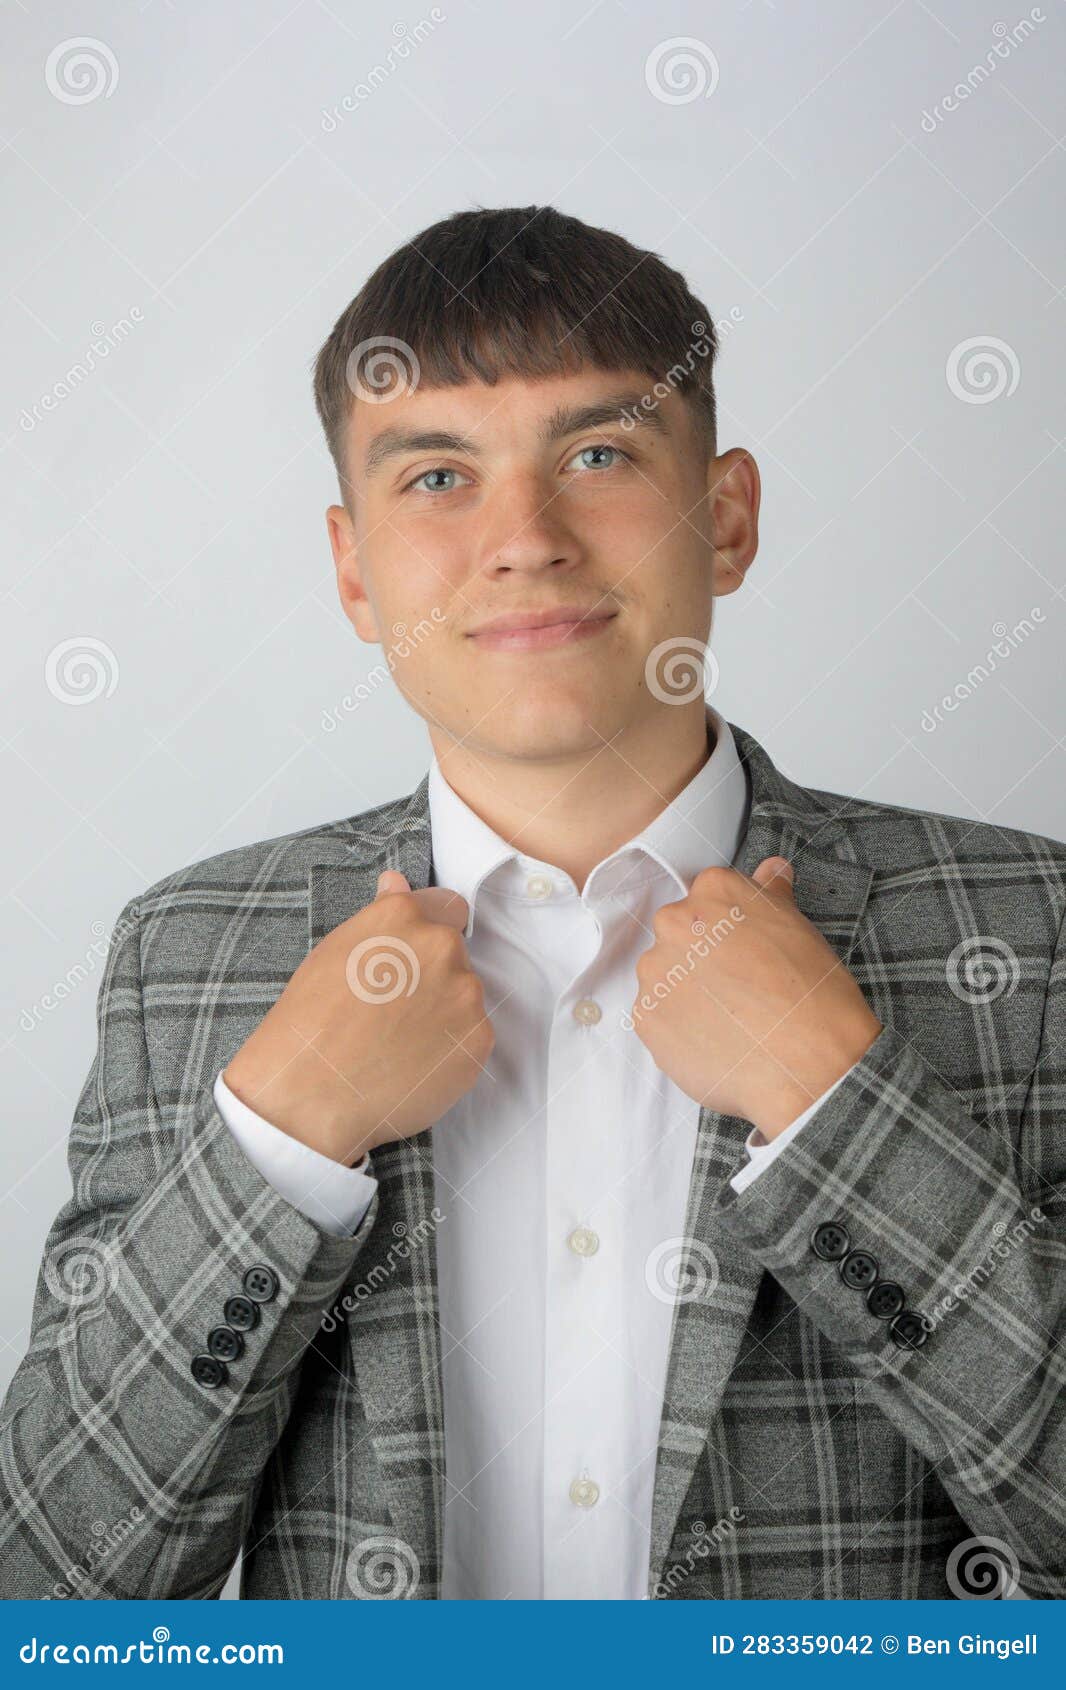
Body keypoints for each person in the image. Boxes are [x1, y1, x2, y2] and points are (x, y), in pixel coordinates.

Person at [1, 206, 1063, 1602]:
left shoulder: (1031, 934)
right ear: (350, 567)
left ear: (727, 514)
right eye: (436, 476)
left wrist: (831, 1102)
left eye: (600, 454)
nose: (524, 538)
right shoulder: (186, 955)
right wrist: (284, 1133)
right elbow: (53, 1587)